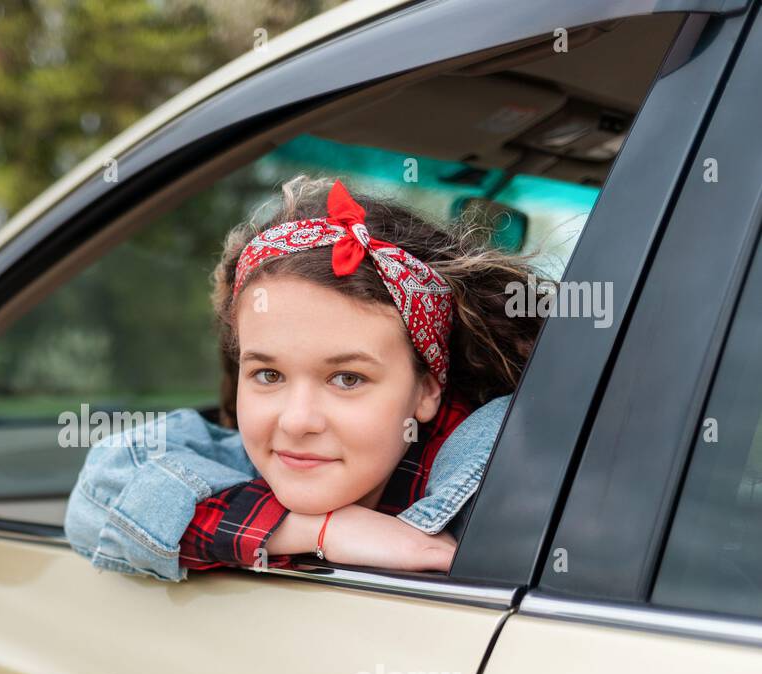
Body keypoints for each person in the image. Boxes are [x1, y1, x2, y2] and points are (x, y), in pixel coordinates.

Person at [64, 175, 545, 582]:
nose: (296, 422)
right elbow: (99, 495)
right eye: (268, 374)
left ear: (426, 389)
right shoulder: (245, 461)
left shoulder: (504, 465)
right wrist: (316, 530)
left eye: (347, 379)